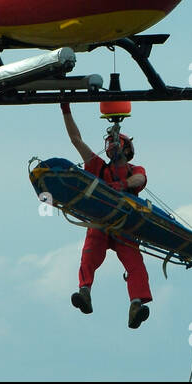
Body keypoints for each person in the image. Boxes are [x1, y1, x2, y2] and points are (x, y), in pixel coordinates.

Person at [61, 102, 152, 329]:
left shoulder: (134, 170)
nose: (112, 145)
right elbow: (76, 140)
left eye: (116, 142)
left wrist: (120, 185)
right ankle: (84, 291)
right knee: (90, 253)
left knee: (134, 264)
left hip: (124, 224)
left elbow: (138, 180)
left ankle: (136, 304)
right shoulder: (98, 166)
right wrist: (66, 110)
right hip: (102, 221)